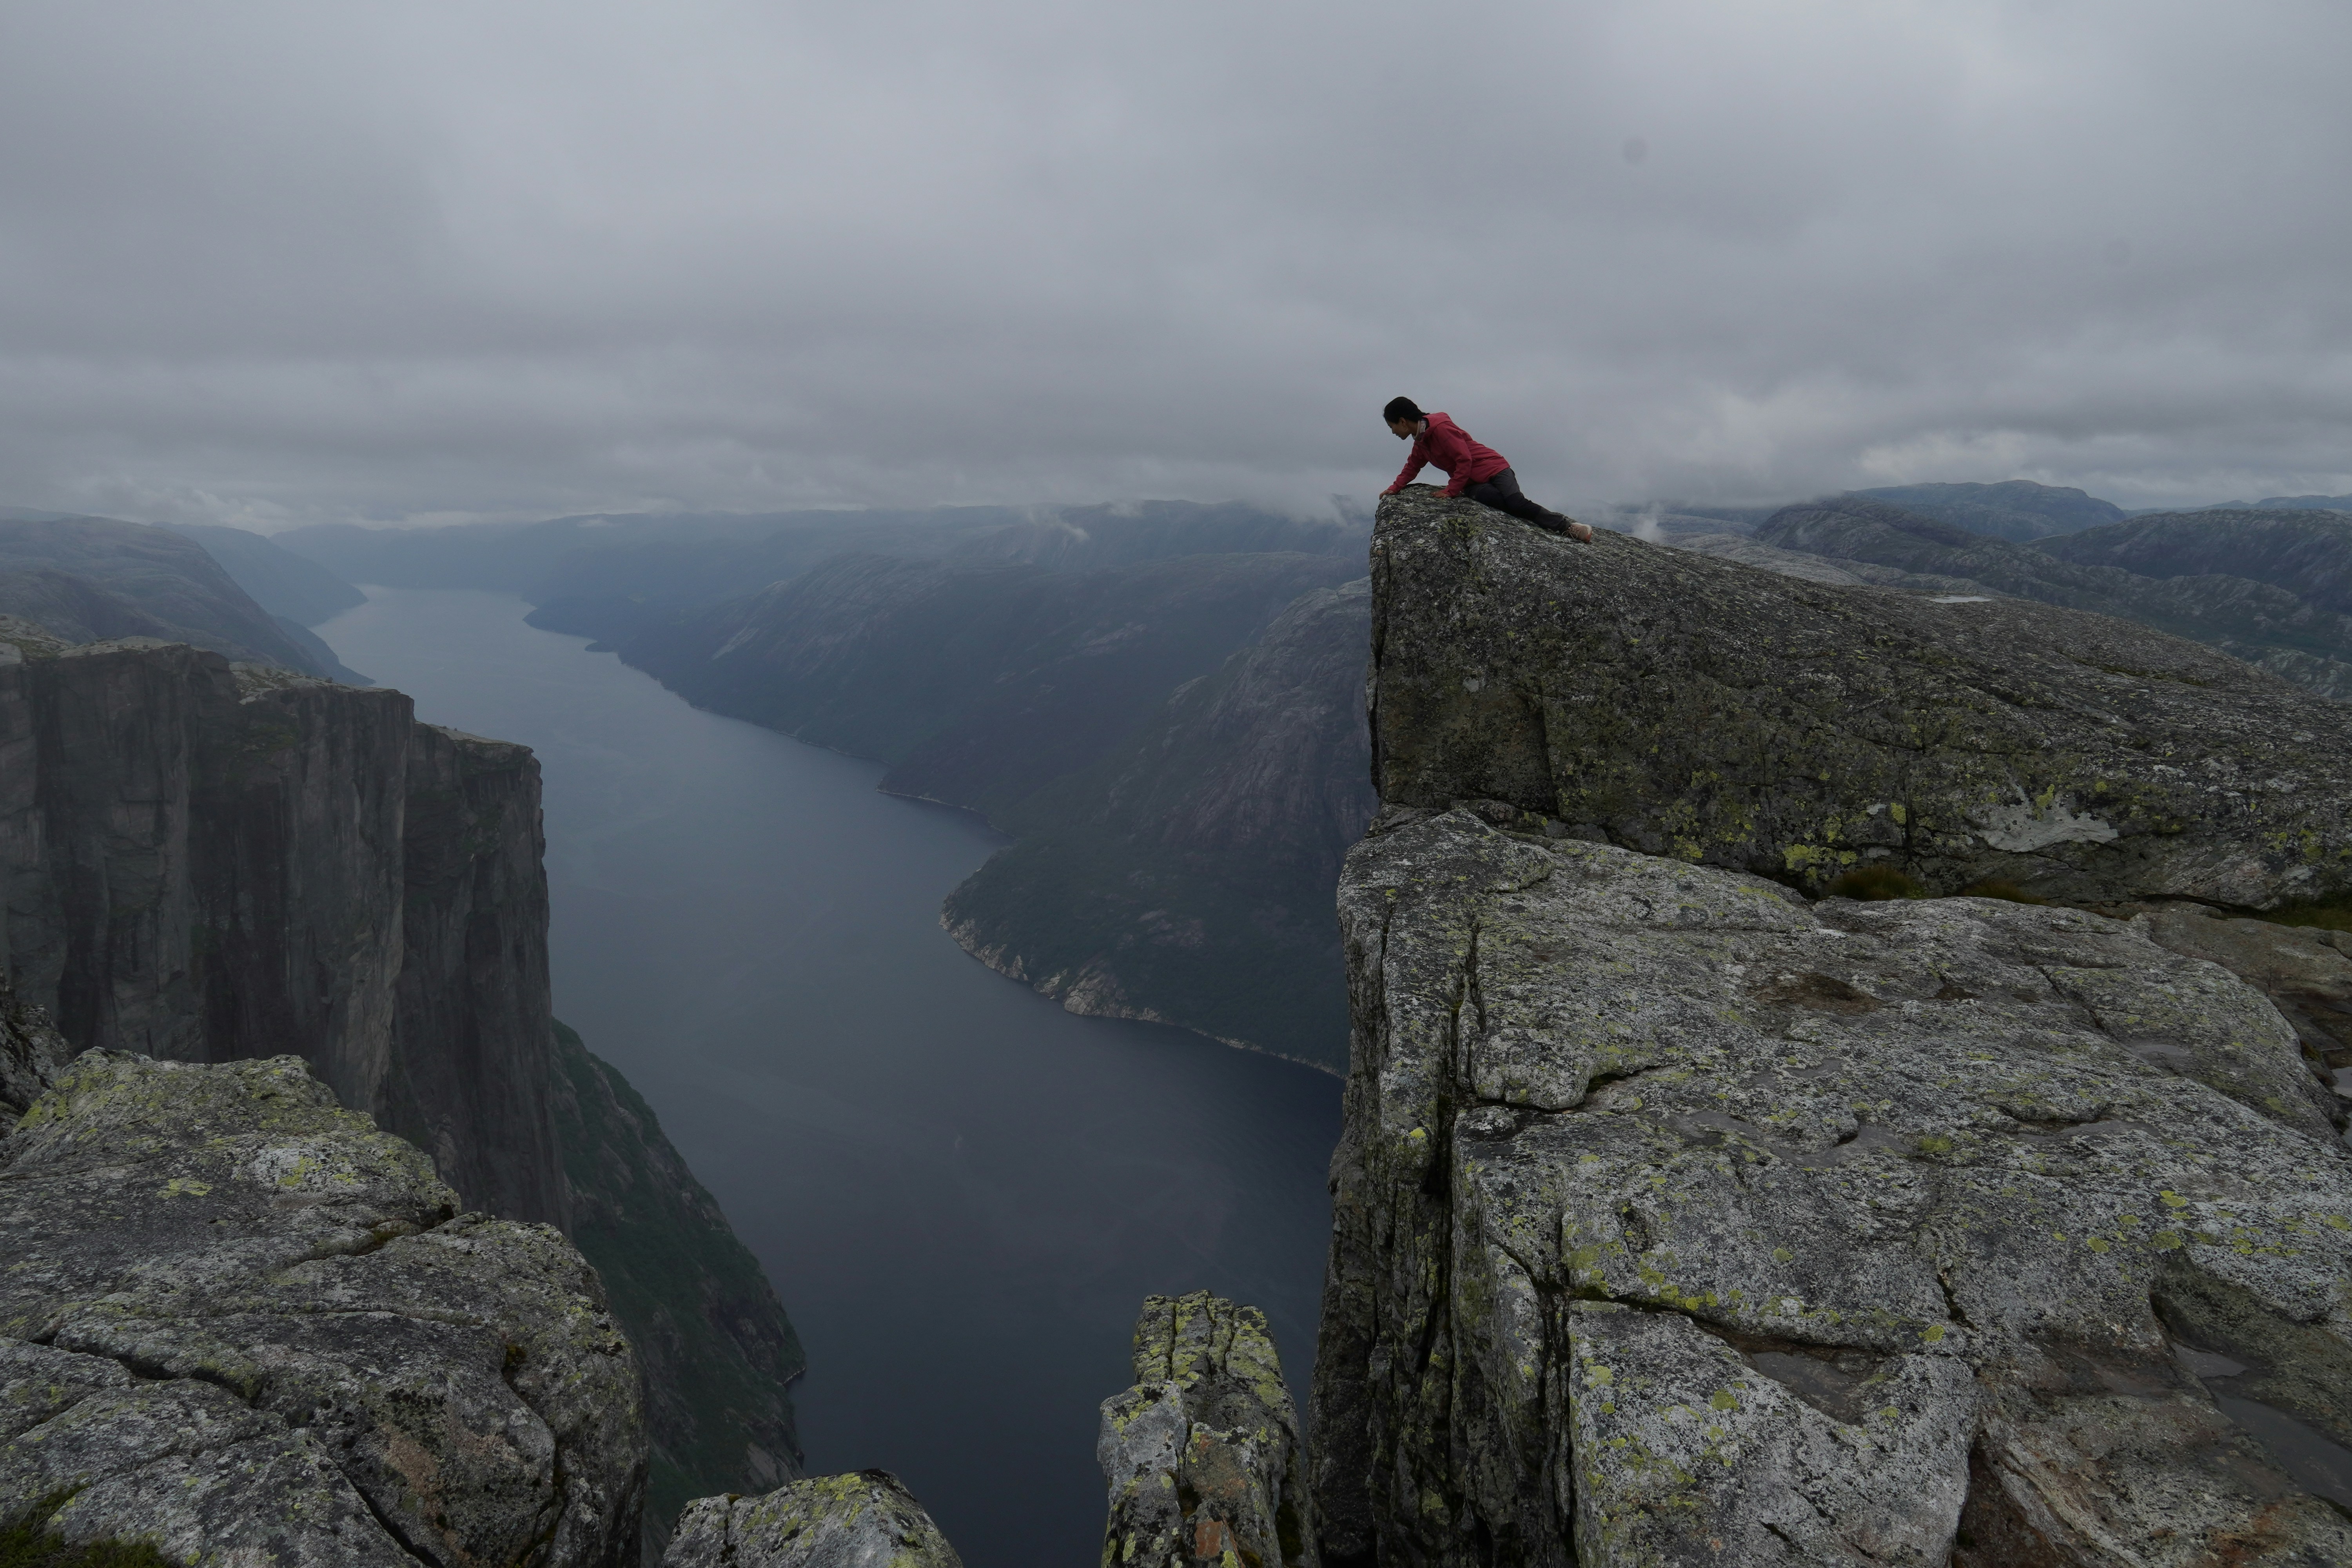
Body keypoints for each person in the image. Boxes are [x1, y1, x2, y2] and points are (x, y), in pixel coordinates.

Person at [1381, 397, 1593, 543]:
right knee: (1500, 503)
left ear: (1403, 422)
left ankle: (1568, 527)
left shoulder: (1440, 429)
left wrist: (1451, 491)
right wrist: (1395, 488)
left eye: (1392, 427)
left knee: (1516, 502)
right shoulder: (1421, 441)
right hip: (1474, 483)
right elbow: (1412, 466)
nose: (1392, 432)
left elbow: (1464, 459)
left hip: (1495, 468)